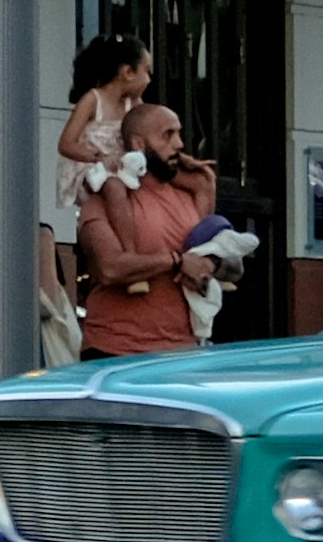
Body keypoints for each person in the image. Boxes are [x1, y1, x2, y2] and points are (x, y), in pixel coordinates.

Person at [77, 107, 223, 358]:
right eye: (167, 135)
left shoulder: (190, 196)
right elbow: (110, 268)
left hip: (182, 352)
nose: (179, 144)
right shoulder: (107, 199)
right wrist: (176, 262)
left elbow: (215, 258)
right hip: (115, 351)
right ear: (138, 144)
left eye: (179, 134)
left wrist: (211, 263)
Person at [41, 37, 149, 363]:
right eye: (147, 71)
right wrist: (100, 157)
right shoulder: (93, 100)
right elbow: (67, 143)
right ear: (126, 72)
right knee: (116, 190)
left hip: (121, 171)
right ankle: (132, 260)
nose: (149, 79)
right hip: (91, 170)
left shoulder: (135, 105)